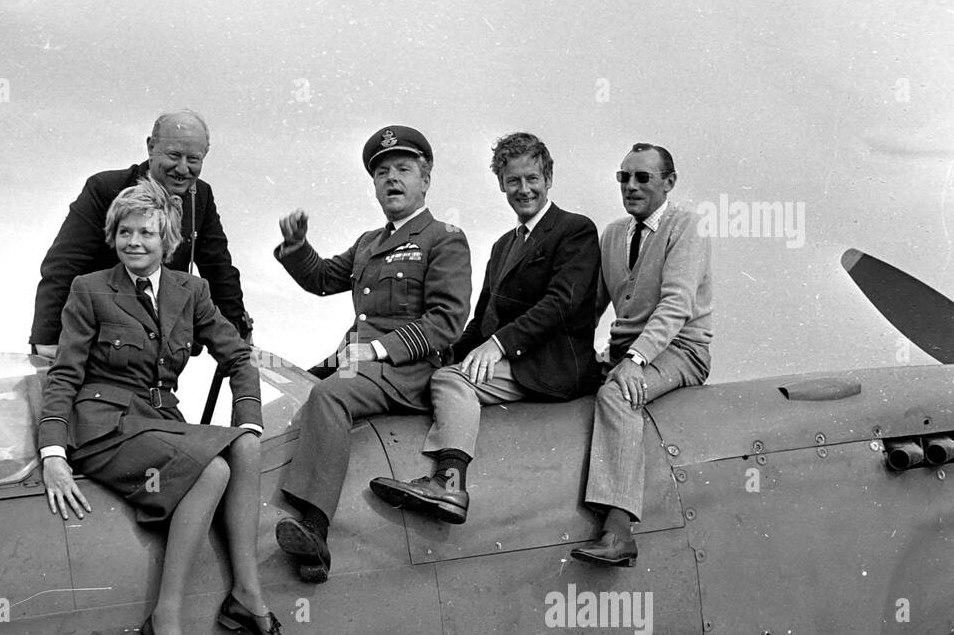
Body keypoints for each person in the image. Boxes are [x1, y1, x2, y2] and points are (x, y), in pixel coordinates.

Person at [38, 177, 300, 635]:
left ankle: (248, 594)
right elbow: (65, 374)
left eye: (146, 234)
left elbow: (238, 356)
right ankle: (165, 623)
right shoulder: (89, 290)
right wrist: (53, 450)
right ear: (112, 236)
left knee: (245, 441)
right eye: (125, 232)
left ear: (168, 241)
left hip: (160, 424)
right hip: (106, 428)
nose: (134, 242)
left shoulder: (192, 291)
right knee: (214, 466)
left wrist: (248, 413)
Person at [273, 126, 472, 583]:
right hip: (361, 362)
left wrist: (379, 349)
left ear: (426, 180)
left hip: (409, 369)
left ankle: (315, 529)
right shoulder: (368, 243)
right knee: (286, 390)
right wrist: (297, 248)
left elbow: (446, 322)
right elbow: (322, 278)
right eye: (382, 173)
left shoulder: (444, 238)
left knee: (330, 396)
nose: (392, 180)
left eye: (403, 169)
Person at [369, 132, 601, 523]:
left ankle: (449, 483)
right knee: (441, 372)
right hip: (513, 358)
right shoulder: (502, 245)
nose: (523, 189)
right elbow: (482, 320)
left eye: (532, 179)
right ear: (501, 184)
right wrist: (442, 354)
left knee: (451, 383)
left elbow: (561, 304)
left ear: (548, 178)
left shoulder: (575, 230)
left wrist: (499, 346)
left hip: (554, 365)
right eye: (513, 181)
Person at [570, 143, 712, 567]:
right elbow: (591, 307)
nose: (631, 186)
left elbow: (676, 305)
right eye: (624, 177)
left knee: (618, 395)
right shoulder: (613, 234)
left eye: (643, 178)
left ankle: (618, 530)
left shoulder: (685, 228)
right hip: (623, 352)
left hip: (679, 350)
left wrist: (634, 362)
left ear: (669, 182)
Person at [29, 110, 253, 358]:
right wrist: (47, 339)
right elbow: (63, 266)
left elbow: (220, 270)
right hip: (95, 343)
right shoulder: (105, 189)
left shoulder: (201, 196)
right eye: (174, 155)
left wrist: (238, 336)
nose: (182, 168)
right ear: (150, 146)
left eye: (193, 159)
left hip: (156, 350)